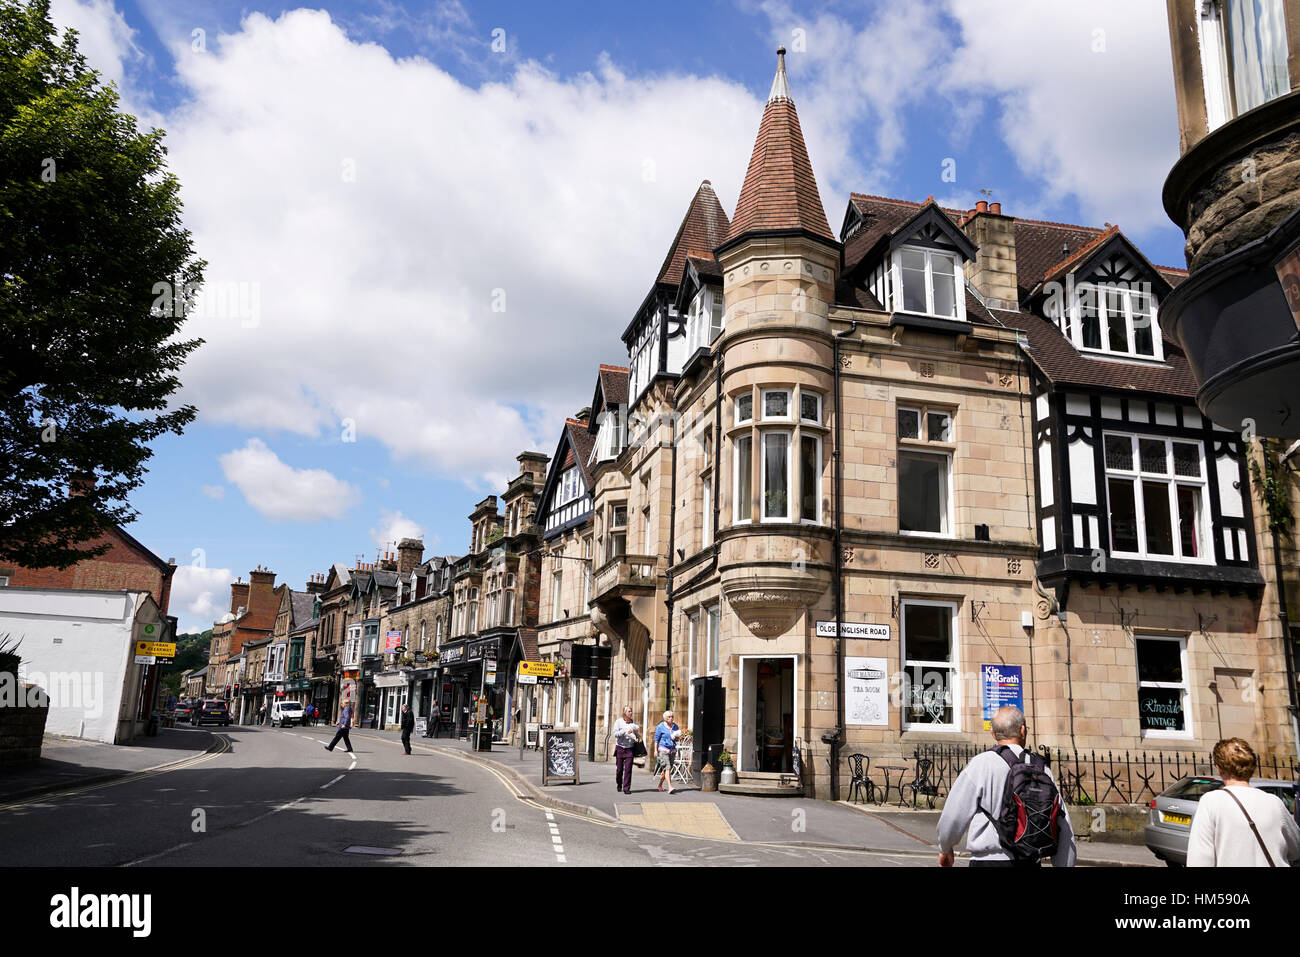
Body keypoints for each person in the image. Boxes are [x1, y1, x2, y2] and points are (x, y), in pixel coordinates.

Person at [937, 705, 1076, 867]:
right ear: (1023, 730)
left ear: (993, 733)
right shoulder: (1041, 768)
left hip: (989, 861)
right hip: (1029, 861)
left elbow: (953, 814)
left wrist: (945, 847)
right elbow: (1063, 825)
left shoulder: (981, 764)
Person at [1187, 737, 1300, 866]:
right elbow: (1296, 850)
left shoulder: (1211, 801)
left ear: (1219, 768)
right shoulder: (1274, 803)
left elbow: (1199, 860)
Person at [612, 706, 640, 794]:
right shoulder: (618, 722)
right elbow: (615, 734)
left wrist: (636, 735)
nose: (631, 713)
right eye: (629, 711)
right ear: (625, 713)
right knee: (619, 769)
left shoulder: (633, 722)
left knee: (628, 769)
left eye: (631, 711)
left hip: (630, 748)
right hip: (620, 747)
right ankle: (619, 783)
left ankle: (626, 788)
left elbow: (637, 735)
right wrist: (624, 731)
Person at [653, 710, 681, 794]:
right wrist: (655, 750)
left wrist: (676, 738)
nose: (671, 718)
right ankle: (670, 787)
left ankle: (660, 785)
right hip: (663, 749)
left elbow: (677, 738)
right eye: (669, 717)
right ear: (665, 718)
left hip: (672, 750)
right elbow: (656, 739)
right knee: (667, 767)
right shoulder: (660, 726)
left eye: (672, 716)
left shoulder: (675, 726)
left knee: (666, 770)